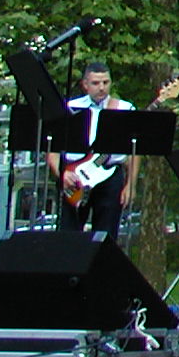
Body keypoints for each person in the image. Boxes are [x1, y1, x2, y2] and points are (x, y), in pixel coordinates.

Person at [49, 63, 133, 241]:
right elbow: (52, 148)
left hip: (110, 173)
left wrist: (130, 184)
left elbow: (135, 150)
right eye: (96, 83)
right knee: (67, 235)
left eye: (106, 82)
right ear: (85, 84)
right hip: (74, 174)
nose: (101, 88)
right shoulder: (70, 107)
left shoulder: (124, 109)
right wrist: (61, 174)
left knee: (106, 236)